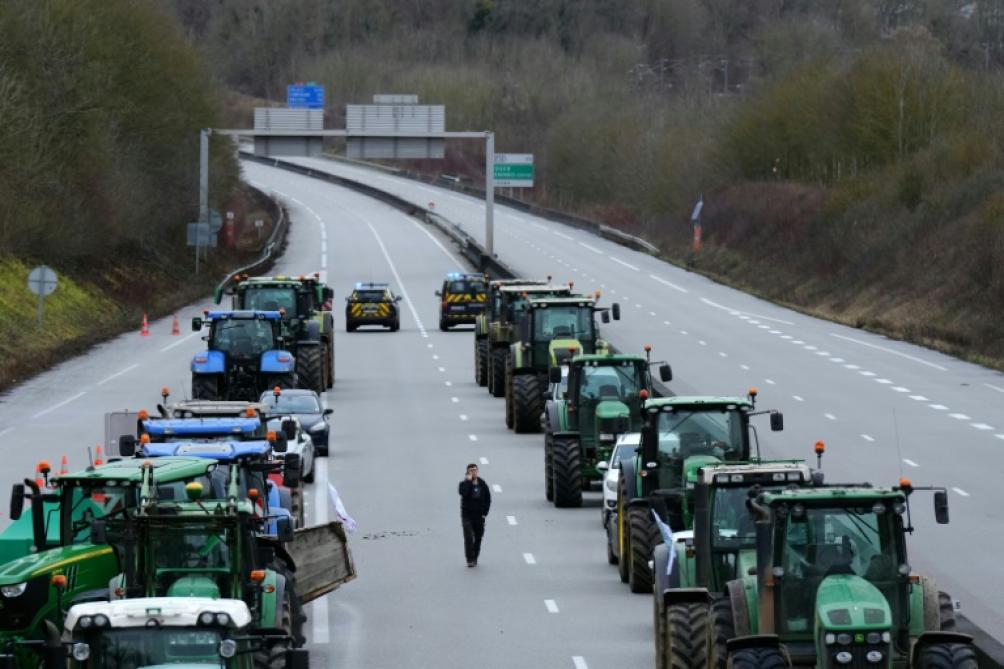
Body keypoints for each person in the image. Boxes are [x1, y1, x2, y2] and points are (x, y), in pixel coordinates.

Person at [458, 463, 491, 567]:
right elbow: (463, 493)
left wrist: (484, 513)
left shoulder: (482, 484)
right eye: (471, 470)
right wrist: (468, 481)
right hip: (467, 515)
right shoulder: (463, 484)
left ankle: (475, 557)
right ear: (467, 472)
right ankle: (469, 560)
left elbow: (488, 498)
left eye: (475, 470)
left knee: (478, 538)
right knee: (468, 537)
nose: (473, 472)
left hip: (479, 516)